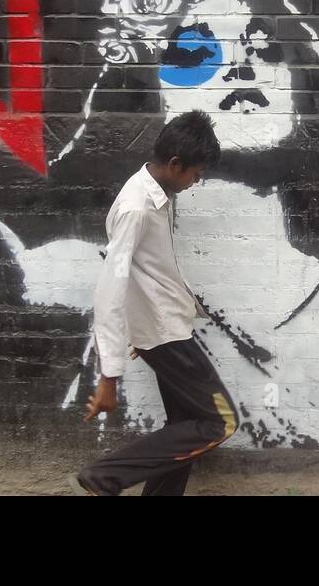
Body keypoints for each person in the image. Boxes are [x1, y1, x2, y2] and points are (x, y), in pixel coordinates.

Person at [72, 109, 239, 496]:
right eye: (195, 174)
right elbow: (109, 289)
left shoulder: (154, 194)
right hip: (165, 334)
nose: (195, 183)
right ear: (176, 164)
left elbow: (145, 275)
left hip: (166, 327)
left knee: (183, 425)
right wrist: (108, 376)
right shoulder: (137, 207)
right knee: (219, 422)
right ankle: (105, 476)